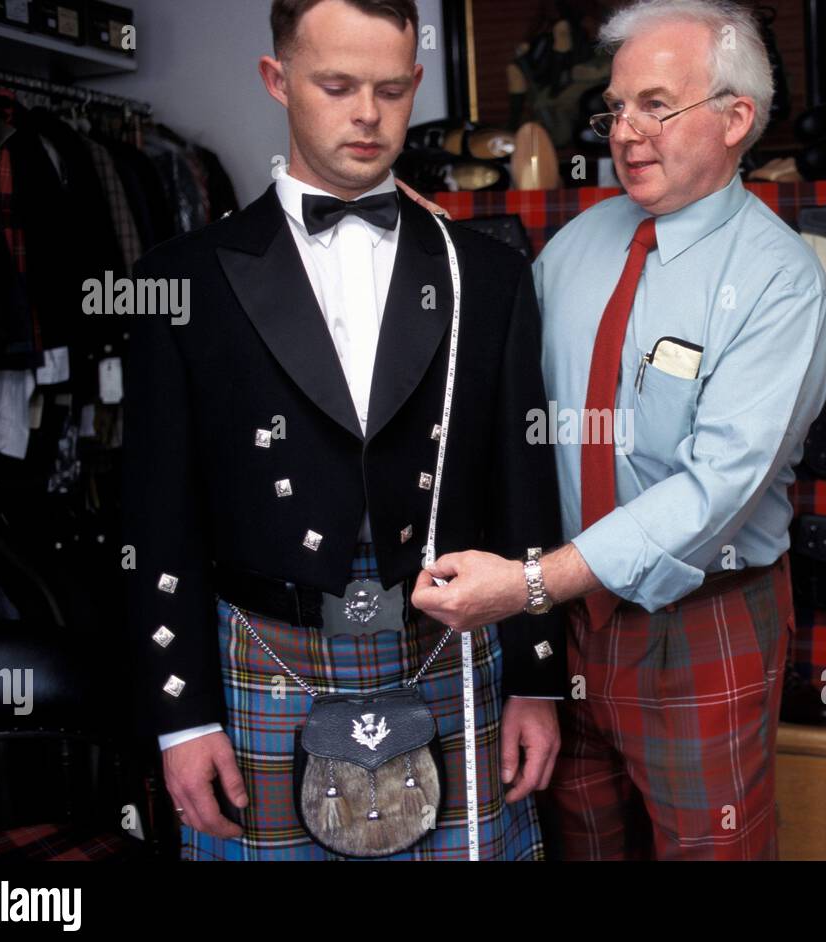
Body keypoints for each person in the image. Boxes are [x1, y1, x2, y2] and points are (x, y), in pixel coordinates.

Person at [122, 0, 565, 861]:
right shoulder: (182, 282)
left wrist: (539, 676)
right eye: (336, 85)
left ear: (415, 86)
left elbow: (524, 486)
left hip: (448, 644)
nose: (367, 113)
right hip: (265, 649)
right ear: (276, 80)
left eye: (391, 89)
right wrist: (181, 717)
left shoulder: (490, 273)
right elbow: (155, 517)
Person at [413, 0, 826, 860]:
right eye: (616, 108)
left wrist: (531, 584)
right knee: (582, 842)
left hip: (700, 621)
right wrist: (428, 249)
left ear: (735, 118)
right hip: (565, 621)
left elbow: (712, 491)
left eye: (656, 105)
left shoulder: (779, 283)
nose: (626, 131)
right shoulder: (575, 245)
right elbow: (503, 383)